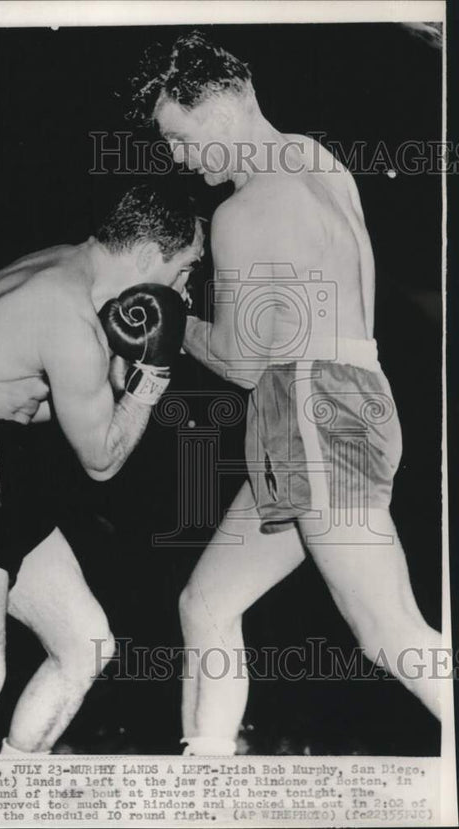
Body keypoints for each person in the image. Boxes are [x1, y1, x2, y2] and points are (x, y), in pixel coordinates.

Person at [129, 31, 442, 756]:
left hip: (313, 409)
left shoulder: (244, 213)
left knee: (390, 631)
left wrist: (169, 318)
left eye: (177, 136)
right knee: (206, 602)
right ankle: (204, 783)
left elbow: (244, 363)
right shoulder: (316, 159)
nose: (177, 157)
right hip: (347, 394)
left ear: (219, 104)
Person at [0, 183, 203, 755]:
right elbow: (102, 461)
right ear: (149, 254)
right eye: (185, 269)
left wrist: (127, 380)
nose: (185, 290)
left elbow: (53, 398)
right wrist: (153, 383)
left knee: (85, 645)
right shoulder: (68, 315)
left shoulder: (69, 271)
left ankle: (14, 797)